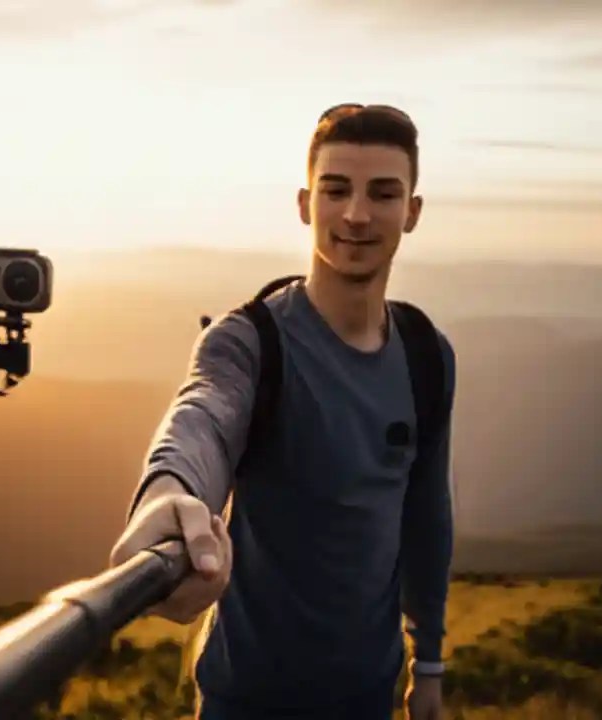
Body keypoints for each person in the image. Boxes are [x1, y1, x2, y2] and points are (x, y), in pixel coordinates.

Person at [109, 103, 456, 720]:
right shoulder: (250, 342)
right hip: (248, 701)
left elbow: (426, 514)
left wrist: (427, 662)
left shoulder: (426, 355)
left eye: (382, 193)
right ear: (305, 204)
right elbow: (204, 417)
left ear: (413, 211)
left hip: (370, 696)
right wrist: (170, 494)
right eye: (336, 190)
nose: (356, 214)